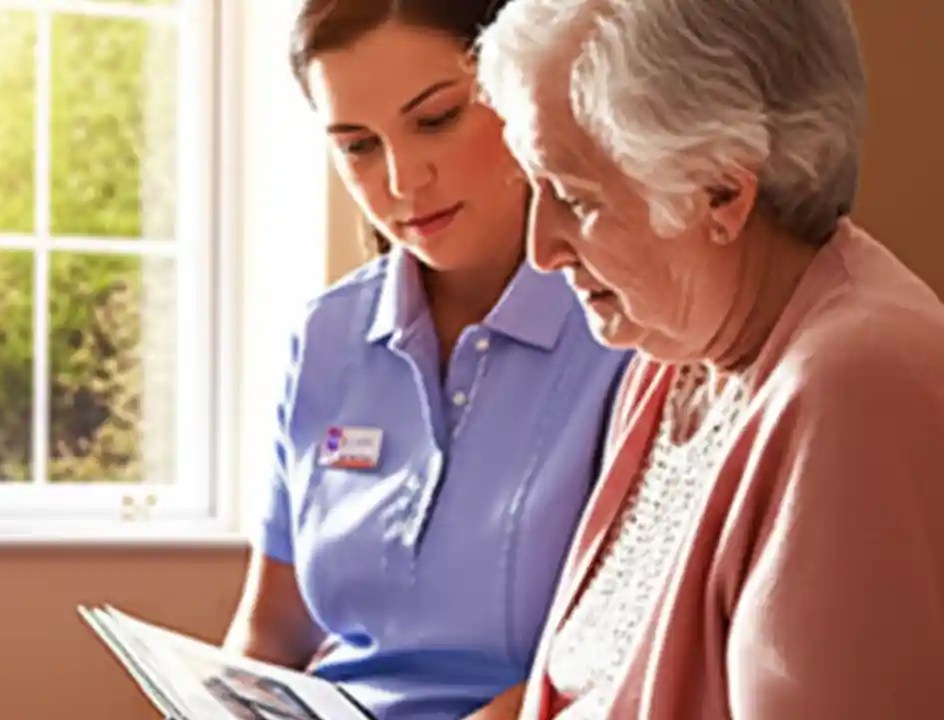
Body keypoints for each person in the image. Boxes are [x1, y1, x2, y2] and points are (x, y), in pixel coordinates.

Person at [474, 0, 944, 717]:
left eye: (574, 198)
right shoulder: (673, 358)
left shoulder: (858, 387)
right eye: (534, 188)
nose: (541, 249)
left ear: (722, 190)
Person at [221, 1, 630, 718]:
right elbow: (270, 634)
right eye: (357, 145)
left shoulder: (626, 331)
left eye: (437, 119)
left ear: (524, 93)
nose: (403, 181)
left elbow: (630, 651)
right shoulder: (325, 336)